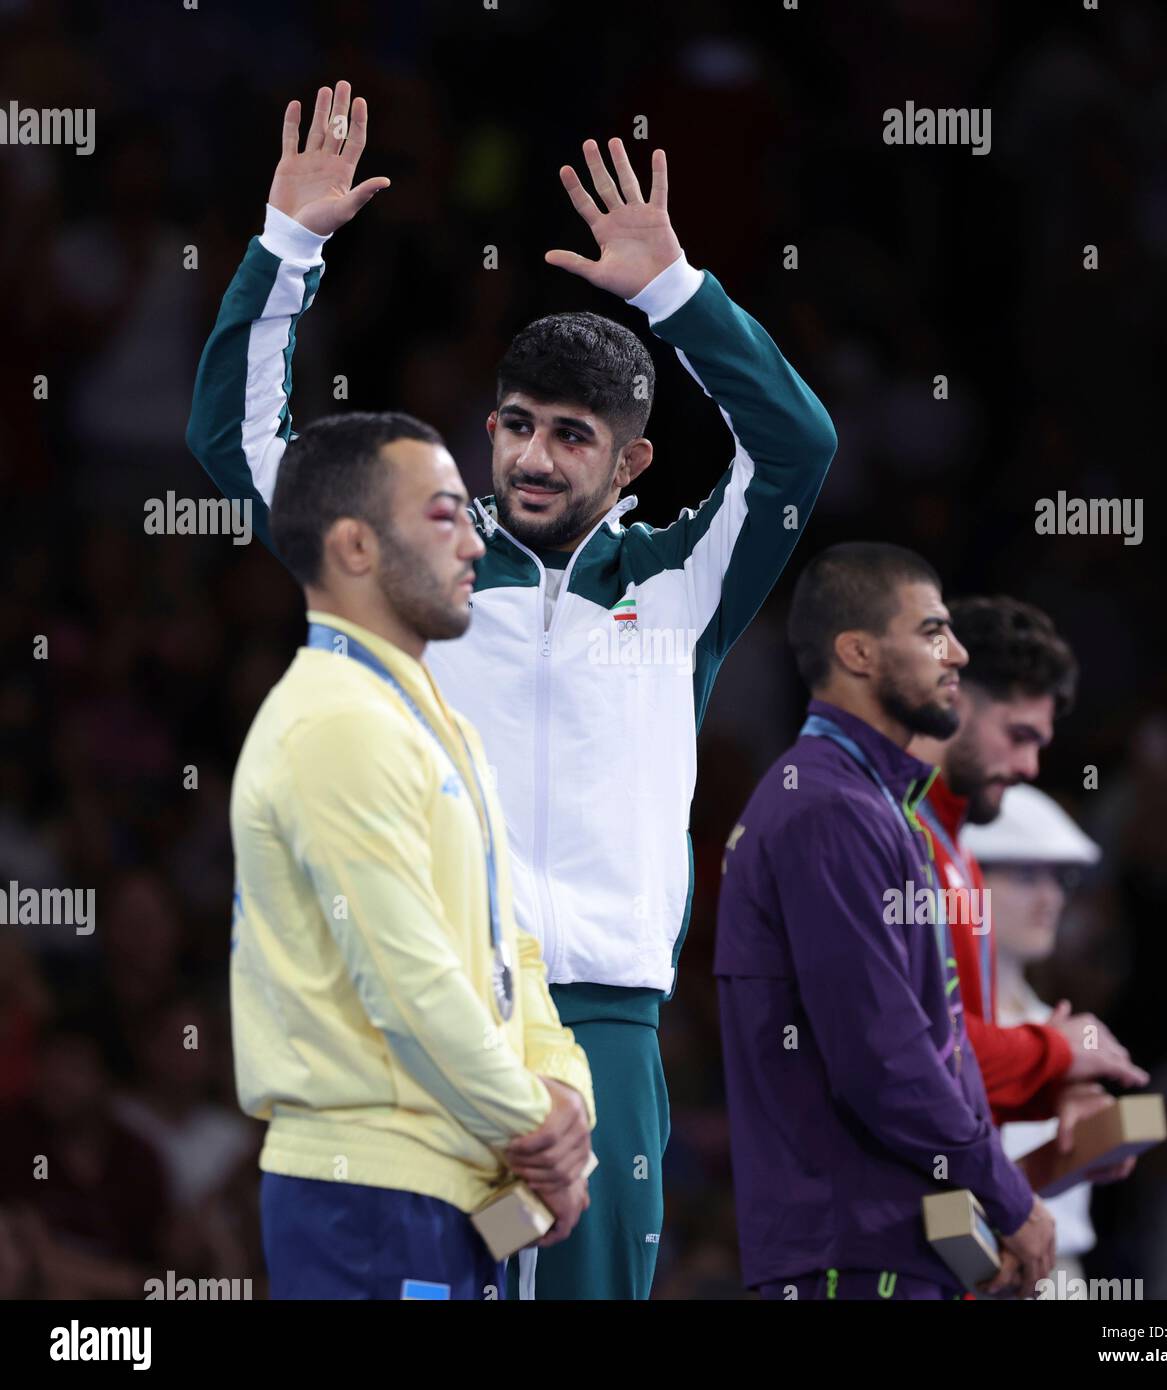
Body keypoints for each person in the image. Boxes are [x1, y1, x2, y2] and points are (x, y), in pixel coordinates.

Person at [187, 82, 837, 1299]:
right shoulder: (418, 562)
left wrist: (672, 294)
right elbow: (239, 444)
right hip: (429, 1013)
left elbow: (797, 448)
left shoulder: (683, 581)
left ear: (632, 459)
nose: (534, 456)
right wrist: (285, 251)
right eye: (518, 425)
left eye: (573, 436)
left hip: (604, 1020)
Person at [229, 409, 595, 1299]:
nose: (474, 542)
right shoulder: (336, 721)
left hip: (456, 1185)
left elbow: (515, 952)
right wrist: (534, 1126)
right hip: (371, 1190)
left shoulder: (441, 728)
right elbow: (407, 982)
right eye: (441, 514)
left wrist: (567, 1095)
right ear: (354, 547)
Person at [716, 542, 1054, 1300]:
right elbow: (883, 1060)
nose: (957, 653)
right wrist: (1007, 1199)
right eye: (932, 631)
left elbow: (932, 1044)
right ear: (858, 652)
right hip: (850, 1258)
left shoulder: (872, 805)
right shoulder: (826, 810)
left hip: (888, 1249)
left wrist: (980, 1208)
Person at [909, 597, 1149, 1134]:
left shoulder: (956, 852)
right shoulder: (889, 835)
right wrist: (1052, 1049)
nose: (1029, 767)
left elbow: (948, 1081)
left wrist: (1041, 1098)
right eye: (1018, 736)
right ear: (954, 697)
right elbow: (903, 1050)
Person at [961, 782, 1114, 1287]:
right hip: (960, 1278)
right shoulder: (932, 1032)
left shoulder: (1070, 1031)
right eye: (1026, 875)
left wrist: (1104, 1141)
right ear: (965, 877)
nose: (1050, 898)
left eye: (1060, 878)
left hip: (1058, 1280)